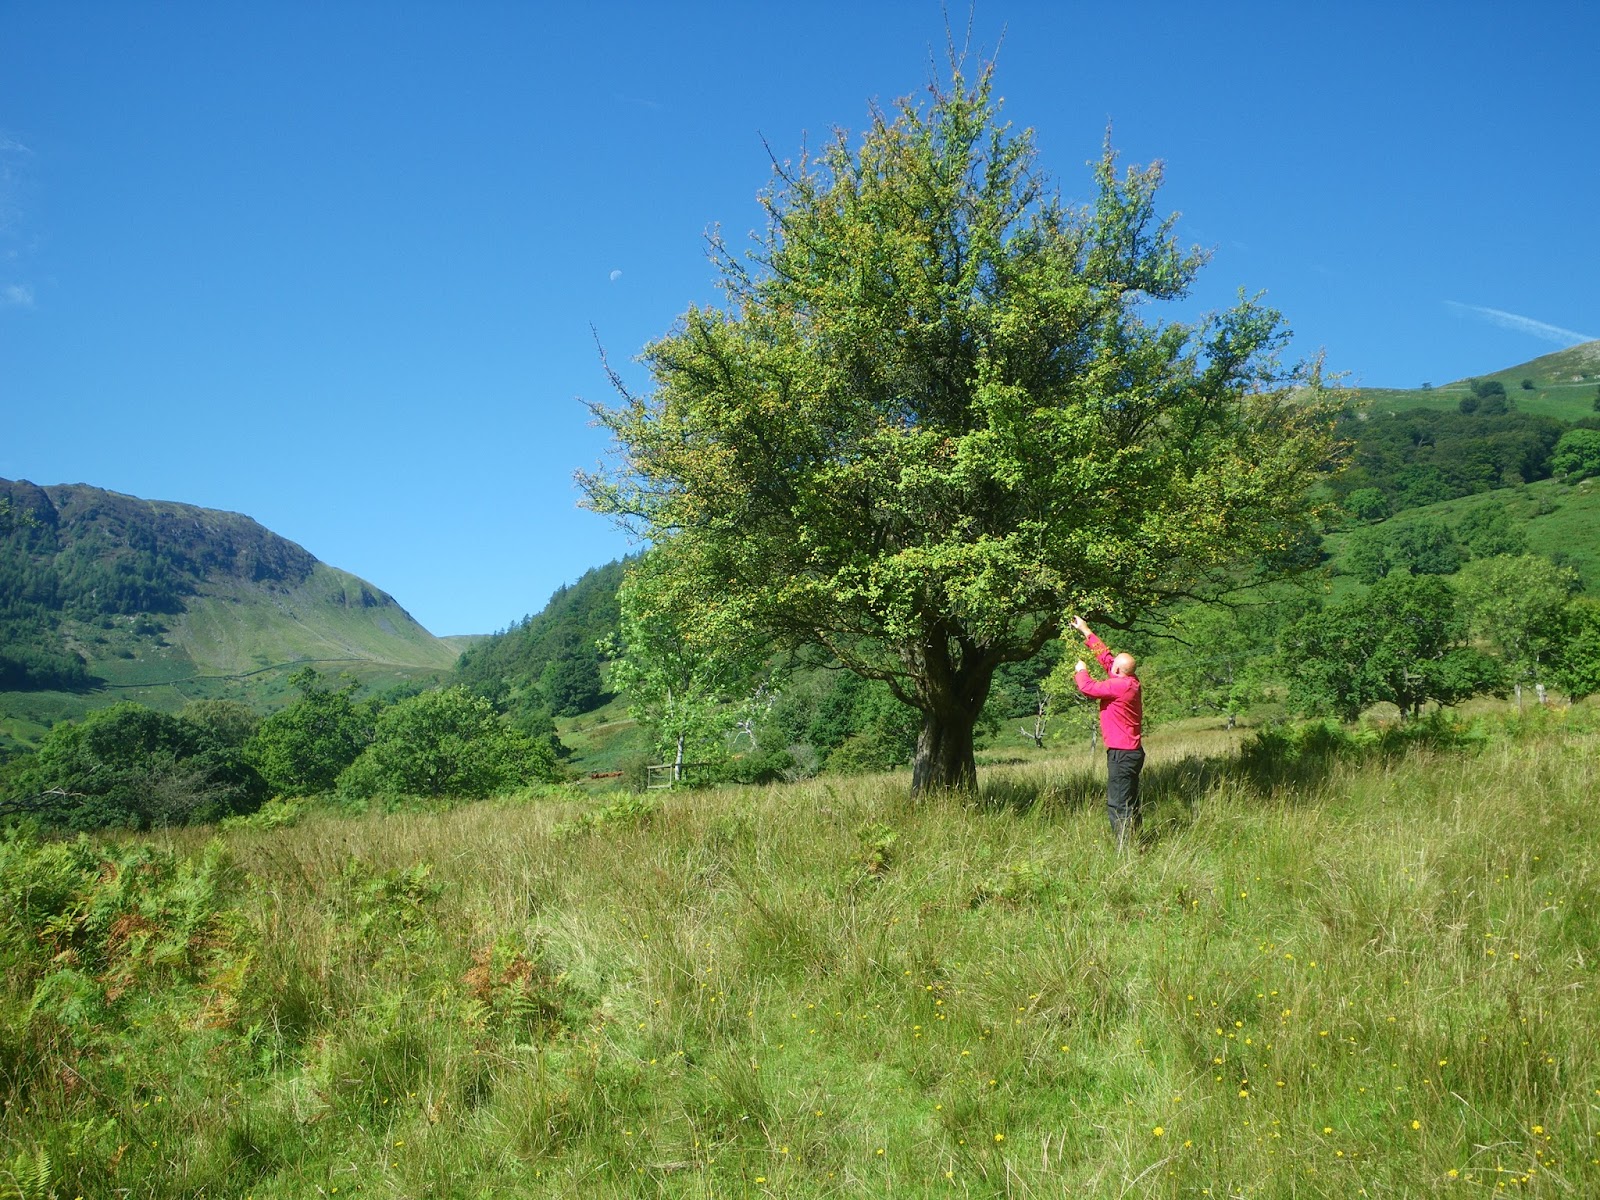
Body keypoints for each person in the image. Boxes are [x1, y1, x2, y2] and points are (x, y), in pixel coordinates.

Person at [1070, 615, 1144, 850]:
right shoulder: (1130, 680)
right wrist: (1085, 630)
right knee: (1130, 800)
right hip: (1131, 752)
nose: (1109, 666)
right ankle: (1136, 841)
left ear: (1119, 671)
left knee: (1118, 803)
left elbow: (1087, 687)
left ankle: (1125, 849)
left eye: (1113, 668)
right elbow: (1107, 658)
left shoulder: (1119, 687)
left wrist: (1081, 670)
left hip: (1122, 754)